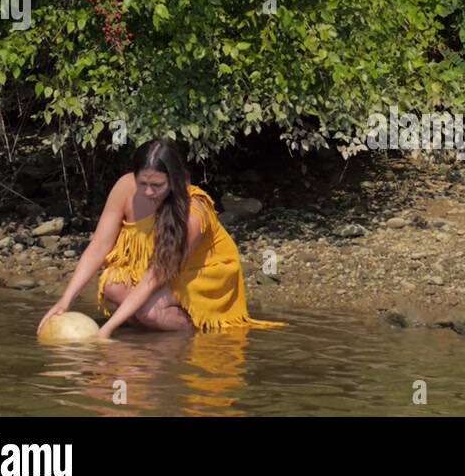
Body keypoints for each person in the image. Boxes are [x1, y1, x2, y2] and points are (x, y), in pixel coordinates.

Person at [36, 139, 285, 339]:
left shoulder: (193, 213)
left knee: (149, 313)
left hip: (202, 274)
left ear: (175, 180)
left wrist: (107, 330)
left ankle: (196, 333)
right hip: (160, 270)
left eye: (157, 185)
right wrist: (64, 301)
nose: (148, 192)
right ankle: (149, 327)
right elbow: (99, 246)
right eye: (142, 183)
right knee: (111, 283)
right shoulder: (125, 187)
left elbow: (154, 276)